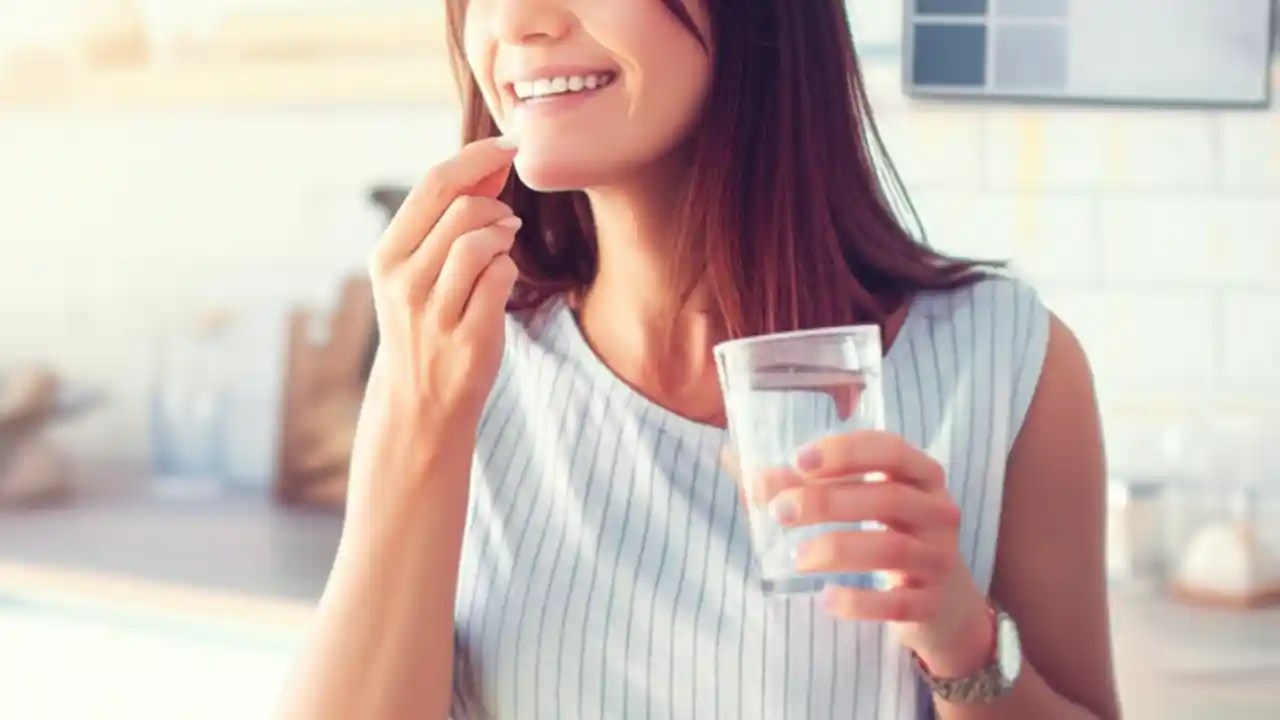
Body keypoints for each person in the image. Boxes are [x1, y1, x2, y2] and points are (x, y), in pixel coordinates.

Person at [280, 1, 1119, 718]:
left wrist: (963, 640)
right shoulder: (459, 366)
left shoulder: (1004, 366)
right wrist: (416, 421)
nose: (520, 22)